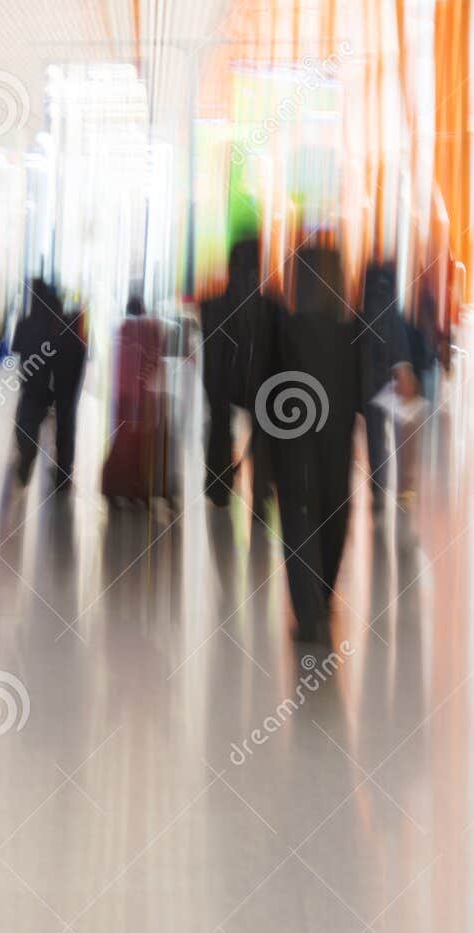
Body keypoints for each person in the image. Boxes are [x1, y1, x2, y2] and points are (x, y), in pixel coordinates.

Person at [268, 246, 365, 644]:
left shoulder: (285, 329)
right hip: (336, 439)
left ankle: (307, 612)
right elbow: (360, 393)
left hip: (292, 438)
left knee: (297, 518)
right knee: (333, 511)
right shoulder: (350, 332)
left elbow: (267, 393)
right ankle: (322, 597)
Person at [199, 238, 279, 515]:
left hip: (223, 380)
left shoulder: (212, 307)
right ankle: (260, 493)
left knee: (221, 427)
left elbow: (211, 356)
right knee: (264, 429)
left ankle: (219, 486)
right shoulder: (269, 308)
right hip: (259, 381)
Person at [11, 277, 88, 493]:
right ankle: (63, 473)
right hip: (56, 385)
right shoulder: (59, 324)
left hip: (33, 385)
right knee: (64, 425)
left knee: (27, 420)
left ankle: (28, 456)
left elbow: (17, 349)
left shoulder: (27, 323)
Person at [358, 260, 422, 514]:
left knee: (376, 434)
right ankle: (403, 486)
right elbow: (397, 333)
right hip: (391, 374)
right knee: (403, 428)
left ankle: (379, 486)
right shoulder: (393, 314)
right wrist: (403, 365)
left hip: (371, 375)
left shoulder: (363, 311)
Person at [100, 294, 174, 504]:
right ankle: (135, 490)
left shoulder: (122, 328)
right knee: (139, 443)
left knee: (123, 439)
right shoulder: (151, 329)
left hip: (122, 393)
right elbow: (155, 359)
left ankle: (115, 487)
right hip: (141, 395)